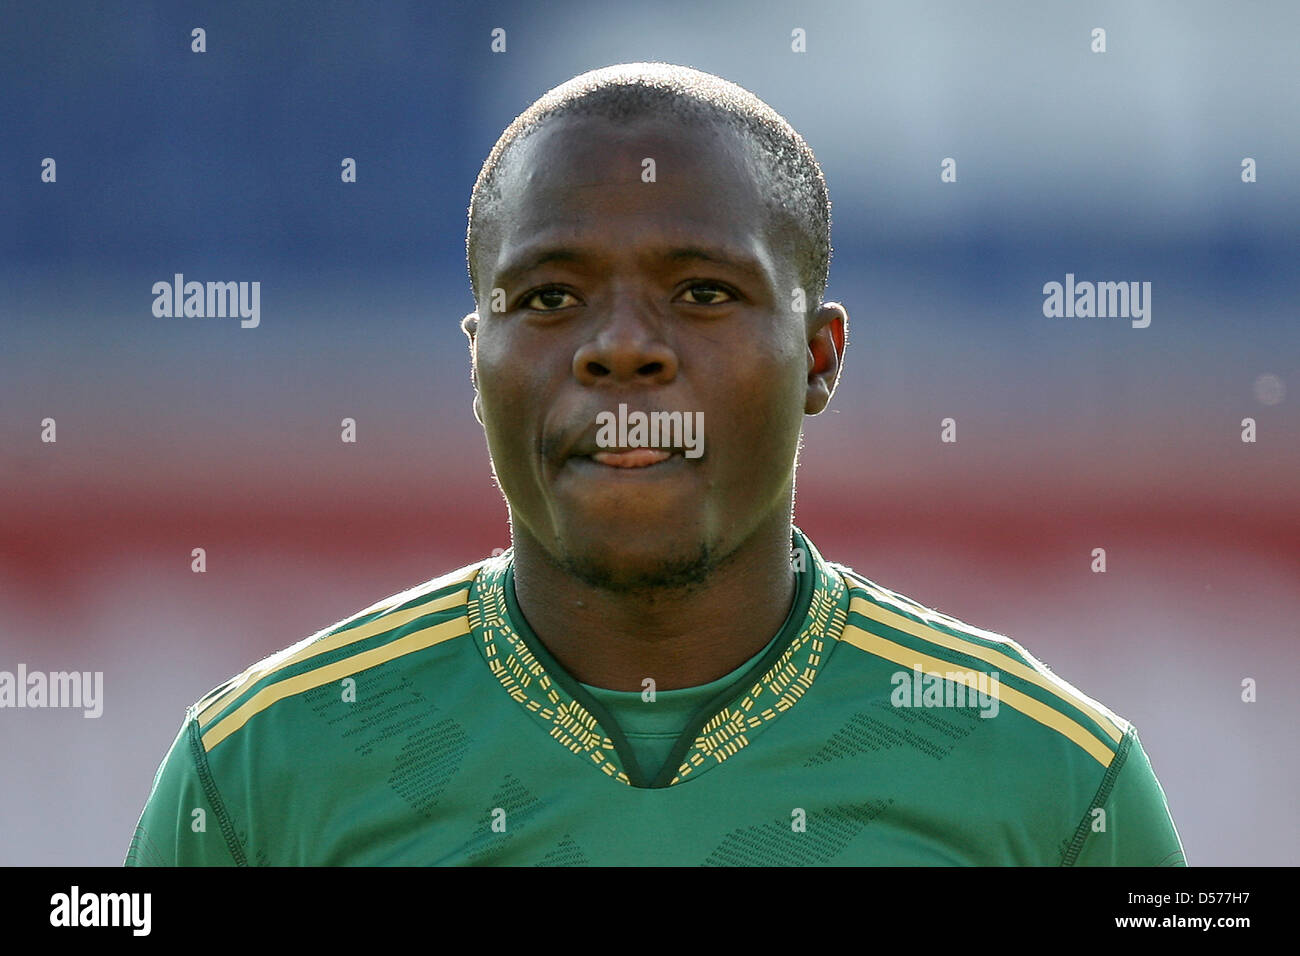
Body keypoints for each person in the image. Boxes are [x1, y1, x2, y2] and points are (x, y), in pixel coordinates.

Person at [125, 62, 1185, 866]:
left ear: (816, 358)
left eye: (703, 291)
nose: (621, 346)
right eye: (548, 296)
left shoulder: (1058, 780)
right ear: (477, 362)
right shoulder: (260, 769)